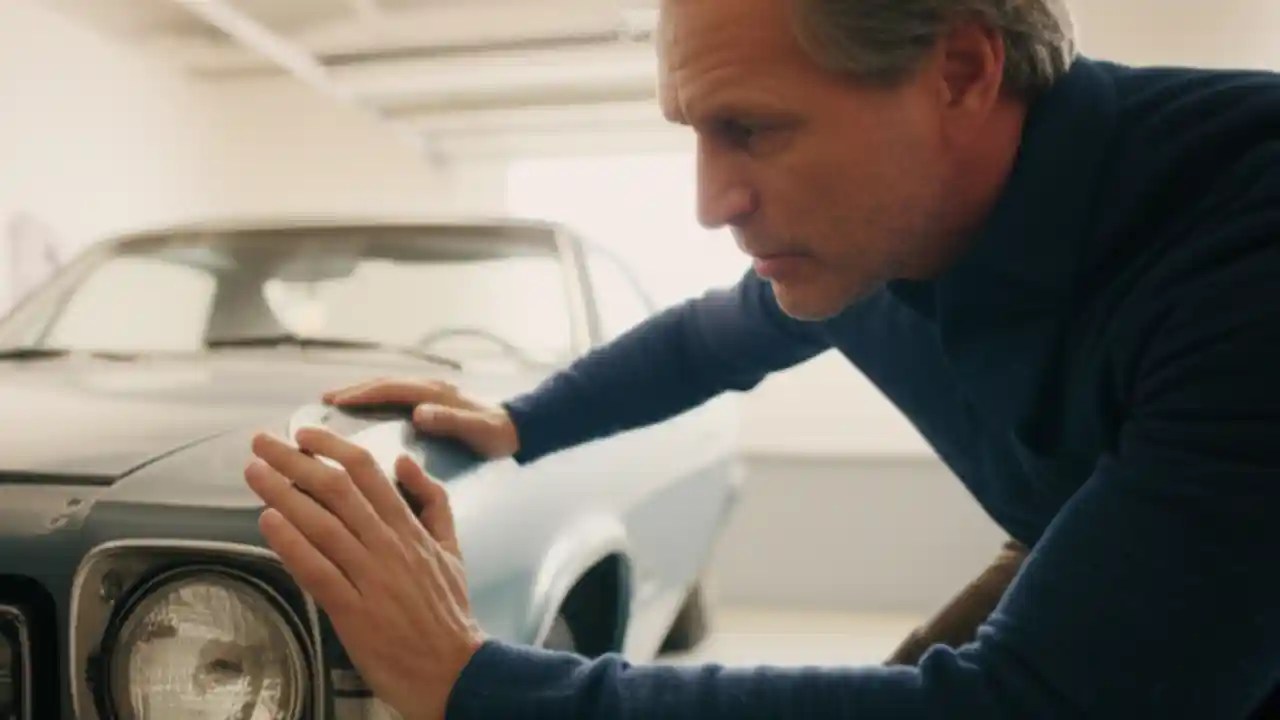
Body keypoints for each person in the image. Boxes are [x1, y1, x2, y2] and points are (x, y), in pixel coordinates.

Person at [242, 0, 1280, 716]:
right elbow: (708, 341)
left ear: (960, 73)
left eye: (751, 129)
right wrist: (523, 419)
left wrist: (478, 686)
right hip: (1077, 519)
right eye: (694, 131)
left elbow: (1035, 707)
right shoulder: (875, 239)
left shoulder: (1243, 248)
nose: (709, 204)